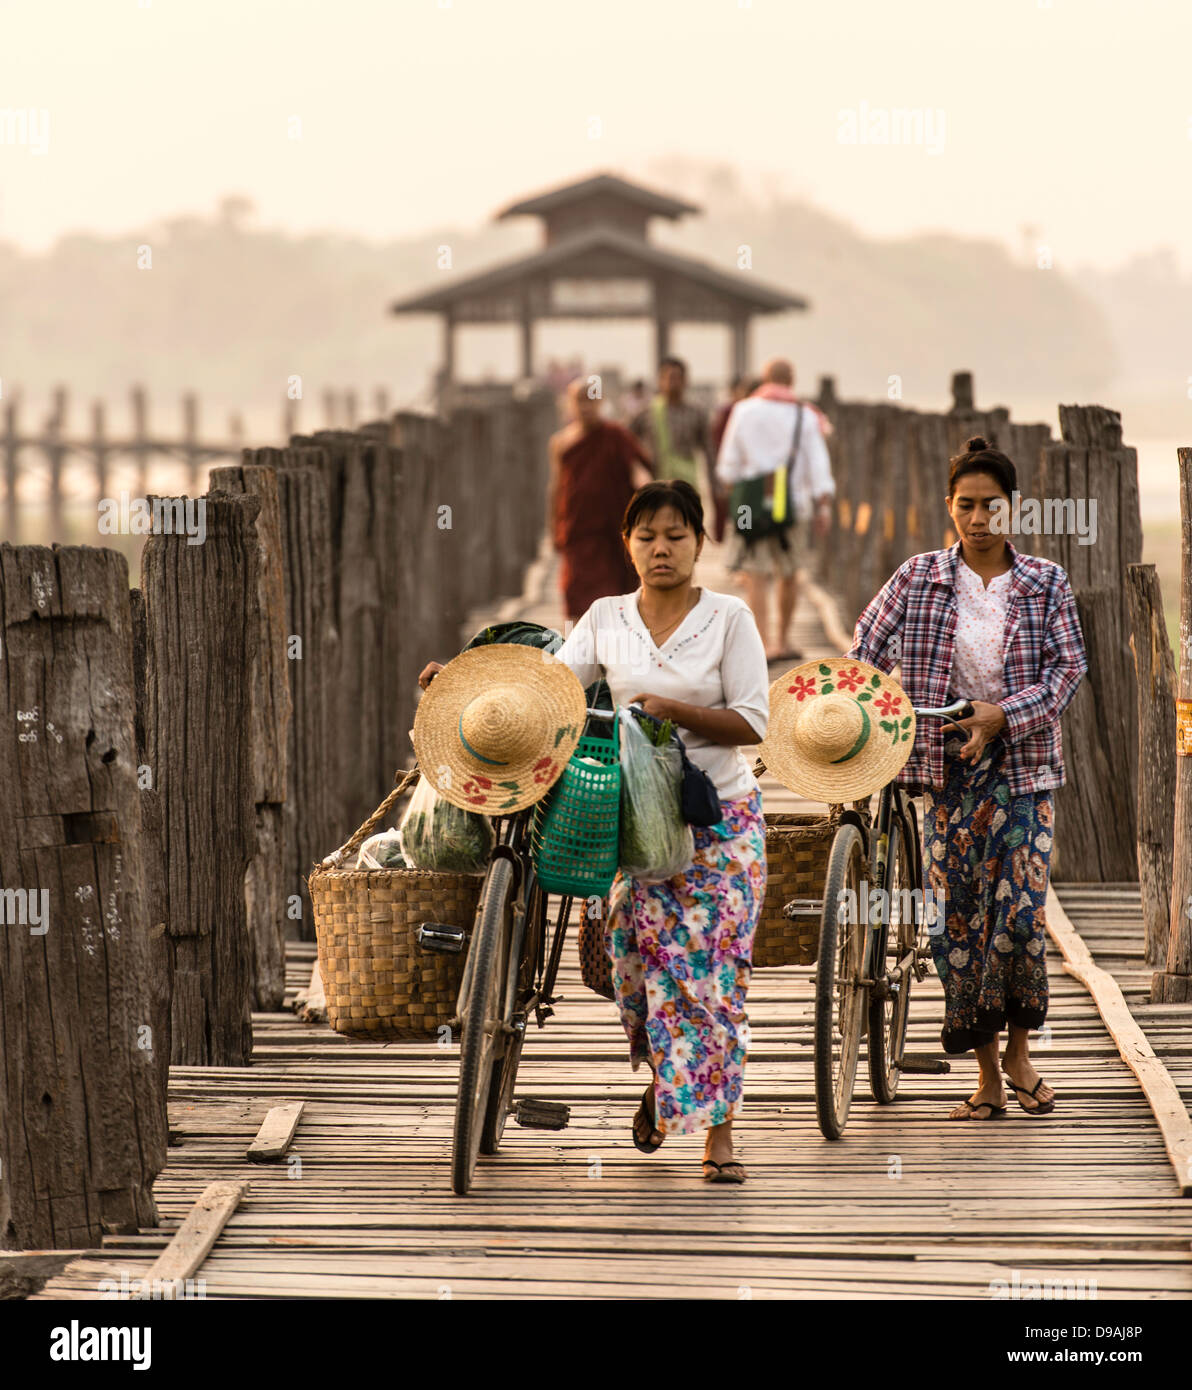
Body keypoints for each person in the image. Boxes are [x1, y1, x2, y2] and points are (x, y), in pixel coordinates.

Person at [848, 436, 1088, 1121]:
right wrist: (845, 714)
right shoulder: (917, 576)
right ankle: (986, 1078)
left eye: (991, 505)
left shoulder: (1045, 582)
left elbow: (1067, 671)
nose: (978, 518)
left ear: (1013, 509)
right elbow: (863, 650)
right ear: (948, 506)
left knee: (1018, 914)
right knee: (959, 923)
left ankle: (1019, 1054)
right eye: (965, 505)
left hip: (1024, 768)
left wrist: (1001, 717)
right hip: (944, 770)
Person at [550, 479, 770, 1183]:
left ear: (701, 542)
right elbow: (553, 689)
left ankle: (719, 1135)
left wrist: (673, 710)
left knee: (712, 976)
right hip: (637, 832)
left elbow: (753, 721)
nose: (661, 548)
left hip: (720, 825)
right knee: (636, 969)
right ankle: (666, 1081)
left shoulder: (730, 618)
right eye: (646, 536)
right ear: (627, 544)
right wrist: (468, 679)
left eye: (676, 534)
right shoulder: (605, 617)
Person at [715, 357, 835, 663]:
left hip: (750, 505)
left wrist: (741, 497)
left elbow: (728, 467)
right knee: (790, 571)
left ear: (764, 378)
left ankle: (762, 643)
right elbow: (817, 463)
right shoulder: (804, 415)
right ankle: (781, 640)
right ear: (791, 380)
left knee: (756, 573)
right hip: (793, 505)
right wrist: (823, 505)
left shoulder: (743, 410)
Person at [548, 377, 654, 621]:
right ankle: (578, 653)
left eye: (591, 400)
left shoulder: (617, 436)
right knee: (574, 593)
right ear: (570, 405)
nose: (586, 407)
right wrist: (554, 526)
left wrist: (648, 492)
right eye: (580, 401)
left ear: (601, 402)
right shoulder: (561, 442)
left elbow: (637, 469)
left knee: (614, 595)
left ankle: (612, 654)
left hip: (613, 532)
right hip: (578, 531)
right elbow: (556, 487)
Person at [630, 358, 712, 496]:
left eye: (677, 377)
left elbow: (709, 450)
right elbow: (625, 441)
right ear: (659, 381)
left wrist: (716, 487)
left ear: (686, 380)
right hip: (653, 484)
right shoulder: (645, 413)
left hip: (685, 485)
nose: (672, 382)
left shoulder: (697, 413)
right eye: (668, 377)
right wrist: (636, 468)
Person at [707, 374, 756, 545]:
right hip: (736, 472)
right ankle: (729, 541)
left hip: (744, 474)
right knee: (728, 509)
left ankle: (743, 541)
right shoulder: (731, 411)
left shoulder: (743, 412)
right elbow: (718, 441)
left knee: (744, 511)